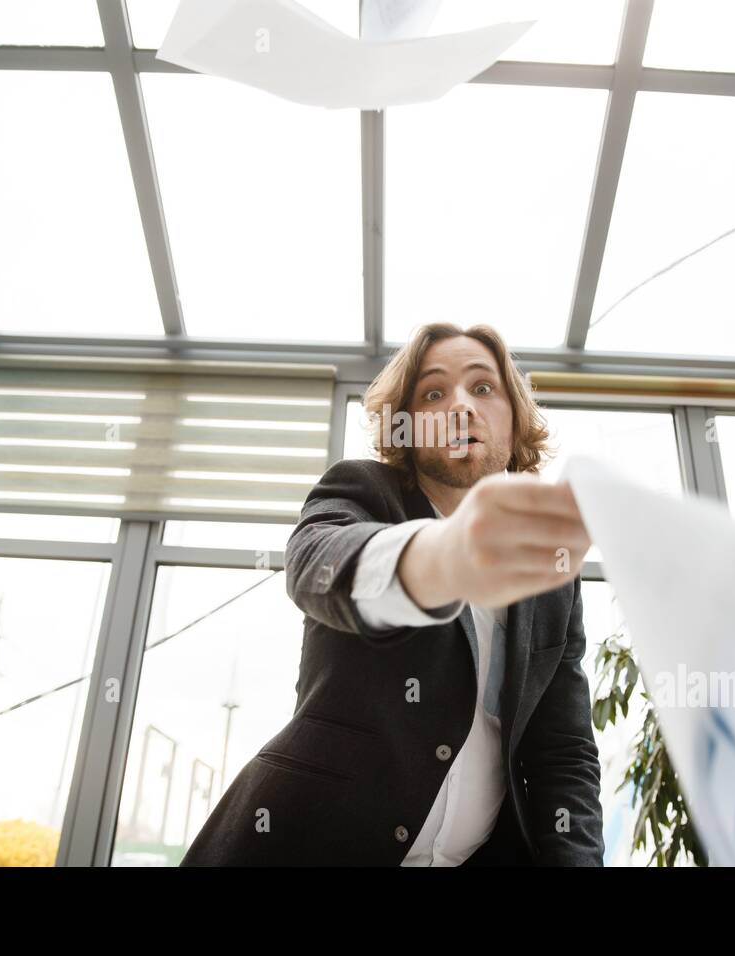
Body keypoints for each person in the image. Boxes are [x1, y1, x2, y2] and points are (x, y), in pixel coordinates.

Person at [179, 321, 603, 866]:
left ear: (515, 418)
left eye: (482, 388)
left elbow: (563, 752)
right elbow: (316, 565)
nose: (459, 406)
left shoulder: (555, 578)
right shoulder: (359, 490)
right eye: (432, 393)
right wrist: (445, 557)